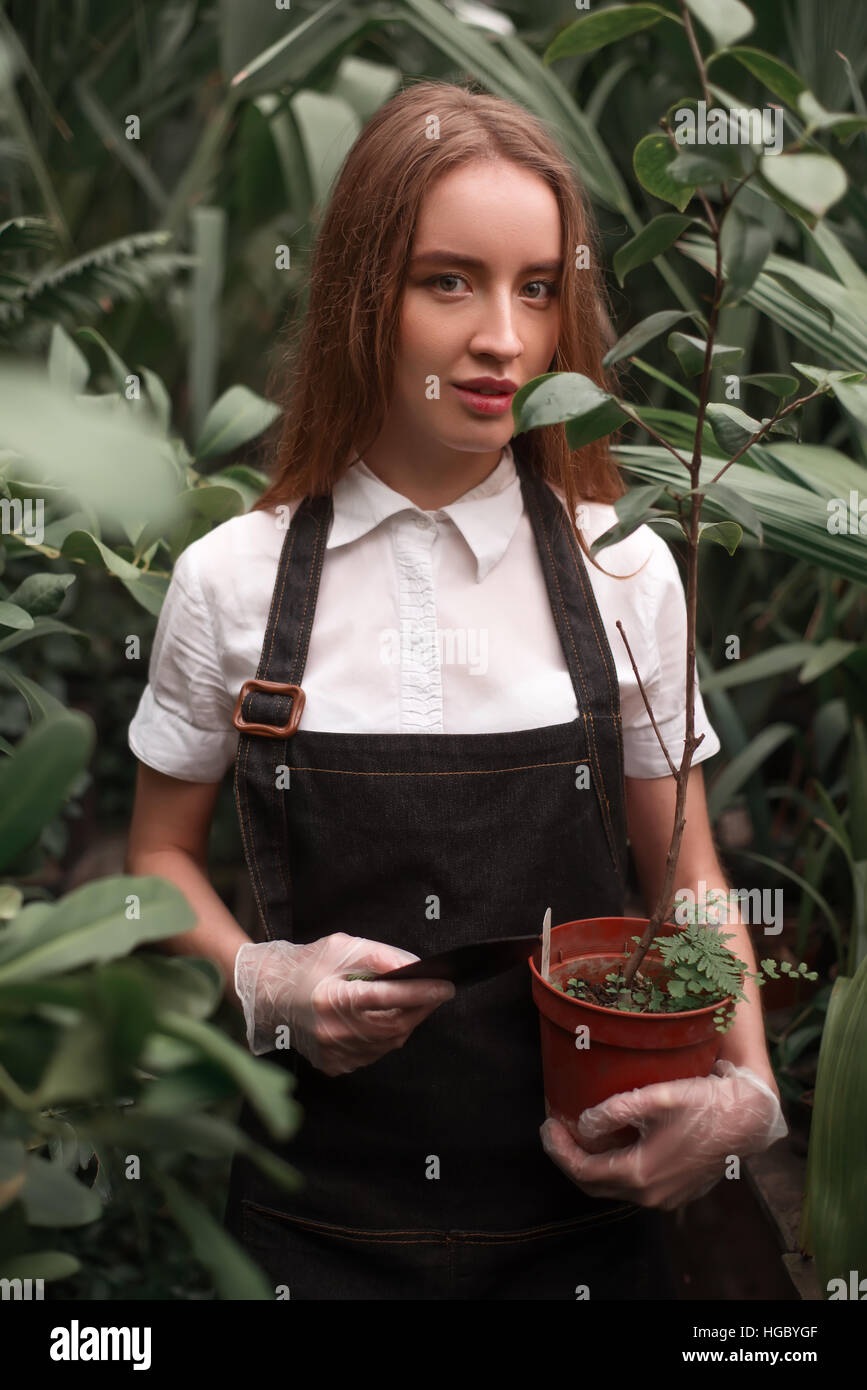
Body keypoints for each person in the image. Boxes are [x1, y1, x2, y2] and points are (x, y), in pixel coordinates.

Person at [125, 80, 787, 1301]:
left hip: (590, 1226)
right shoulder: (231, 580)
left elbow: (683, 870)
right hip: (306, 1237)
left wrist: (744, 1093)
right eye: (451, 281)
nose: (504, 338)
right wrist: (260, 984)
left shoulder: (624, 567)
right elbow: (152, 865)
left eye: (538, 288)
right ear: (362, 295)